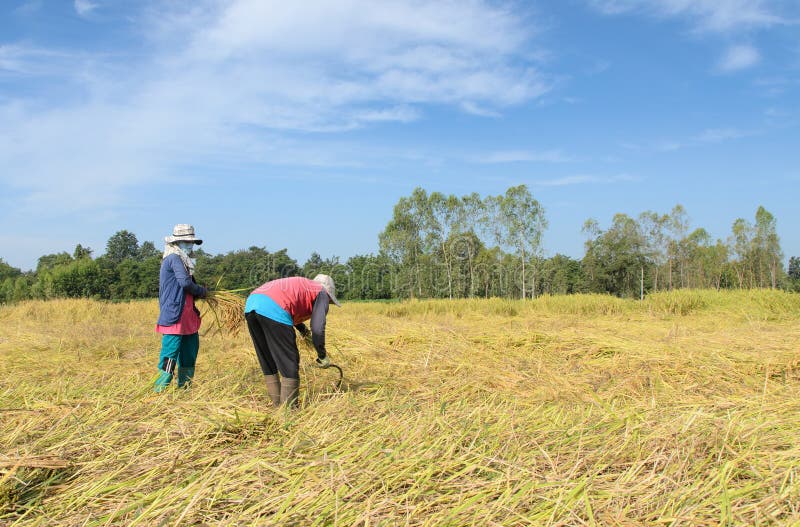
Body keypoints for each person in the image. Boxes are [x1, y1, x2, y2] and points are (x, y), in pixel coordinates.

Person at [244, 274, 341, 407]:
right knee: (289, 362)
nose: (328, 303)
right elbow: (318, 329)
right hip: (273, 308)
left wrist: (303, 331)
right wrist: (322, 355)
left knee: (267, 359)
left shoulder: (304, 285)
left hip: (251, 303)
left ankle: (277, 407)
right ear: (328, 292)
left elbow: (289, 304)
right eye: (330, 301)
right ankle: (289, 412)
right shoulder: (321, 292)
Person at [153, 224, 208, 392]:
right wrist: (202, 291)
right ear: (177, 242)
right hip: (174, 316)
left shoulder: (185, 261)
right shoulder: (173, 258)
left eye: (191, 242)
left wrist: (200, 291)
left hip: (188, 316)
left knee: (189, 354)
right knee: (170, 354)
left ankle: (185, 390)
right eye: (186, 241)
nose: (190, 245)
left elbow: (187, 285)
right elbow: (185, 283)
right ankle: (159, 391)